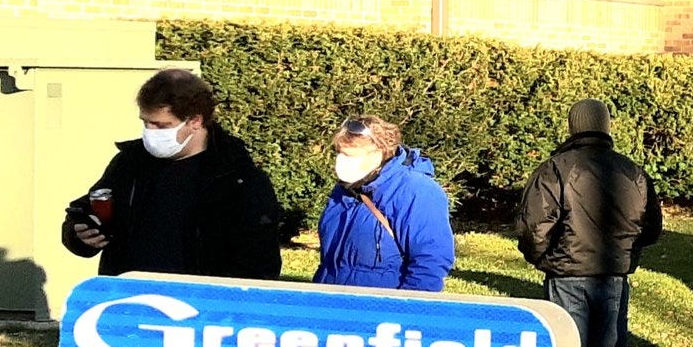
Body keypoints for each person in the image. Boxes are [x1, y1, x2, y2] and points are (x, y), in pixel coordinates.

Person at [517, 99, 662, 347]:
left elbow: (534, 229)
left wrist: (546, 261)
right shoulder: (632, 171)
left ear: (573, 127)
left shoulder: (555, 169)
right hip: (613, 277)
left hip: (567, 277)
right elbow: (652, 228)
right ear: (606, 127)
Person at [63, 67, 281, 279]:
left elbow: (259, 262)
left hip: (200, 305)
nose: (150, 132)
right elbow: (89, 208)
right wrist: (79, 234)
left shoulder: (237, 177)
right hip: (130, 300)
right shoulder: (130, 162)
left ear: (195, 121)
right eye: (145, 122)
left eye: (161, 125)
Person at [316, 116, 455, 293]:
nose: (342, 161)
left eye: (351, 155)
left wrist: (404, 311)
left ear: (380, 152)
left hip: (381, 309)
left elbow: (430, 261)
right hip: (330, 304)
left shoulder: (416, 191)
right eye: (340, 153)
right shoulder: (344, 189)